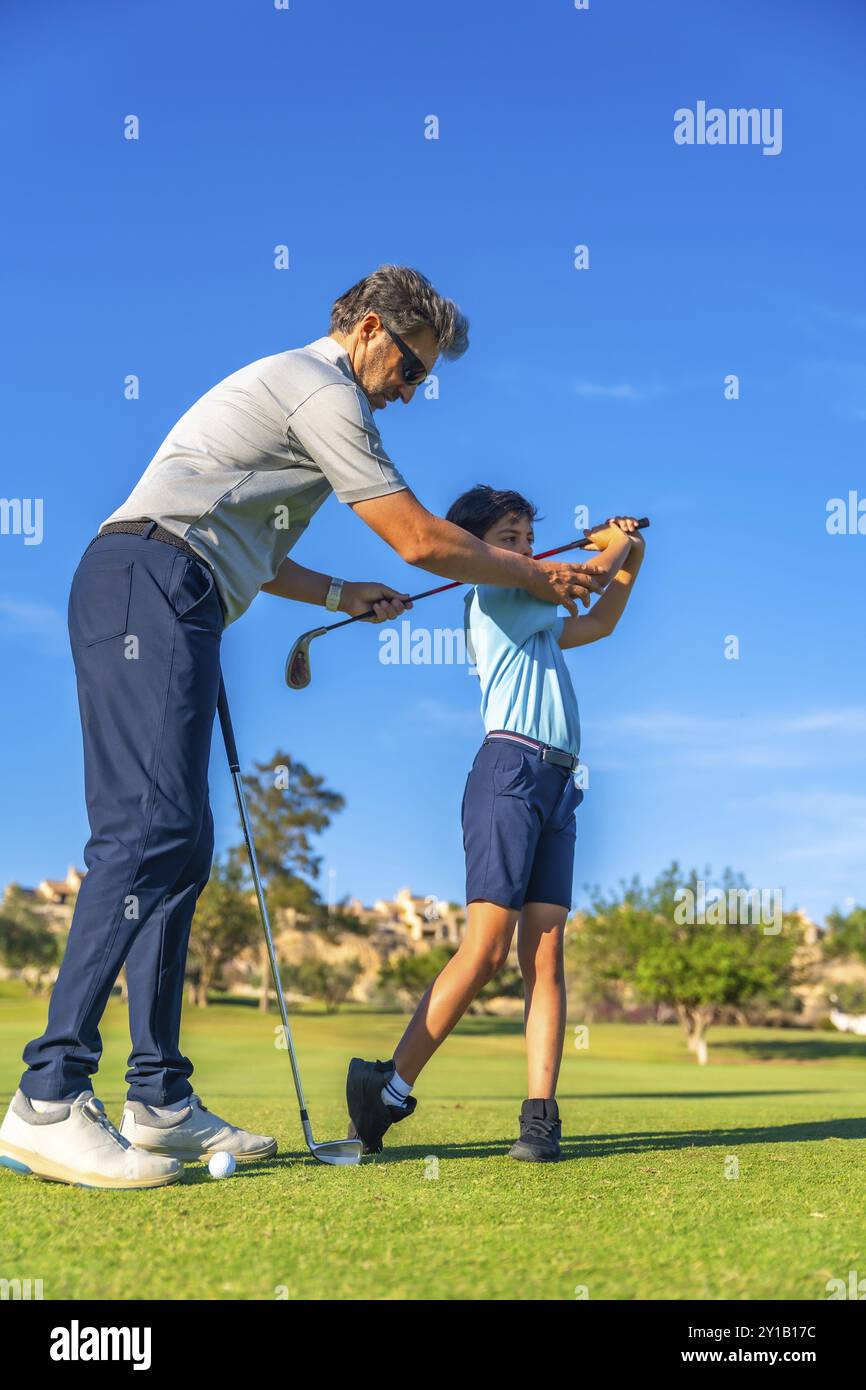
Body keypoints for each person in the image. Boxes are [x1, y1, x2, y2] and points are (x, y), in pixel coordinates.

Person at [0, 269, 605, 1189]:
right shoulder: (325, 391)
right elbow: (417, 536)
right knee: (144, 834)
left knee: (182, 847)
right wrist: (531, 574)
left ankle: (158, 1101)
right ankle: (47, 1098)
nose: (412, 391)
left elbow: (264, 548)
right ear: (369, 332)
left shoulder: (308, 411)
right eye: (411, 369)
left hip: (179, 592)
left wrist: (336, 595)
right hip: (151, 583)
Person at [345, 486, 645, 1162]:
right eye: (510, 535)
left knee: (544, 956)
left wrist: (632, 556)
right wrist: (614, 545)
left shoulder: (530, 606)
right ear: (475, 546)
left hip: (558, 782)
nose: (526, 549)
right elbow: (588, 580)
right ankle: (389, 1090)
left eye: (528, 537)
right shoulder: (497, 593)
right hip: (509, 772)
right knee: (484, 951)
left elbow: (599, 622)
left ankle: (539, 1118)